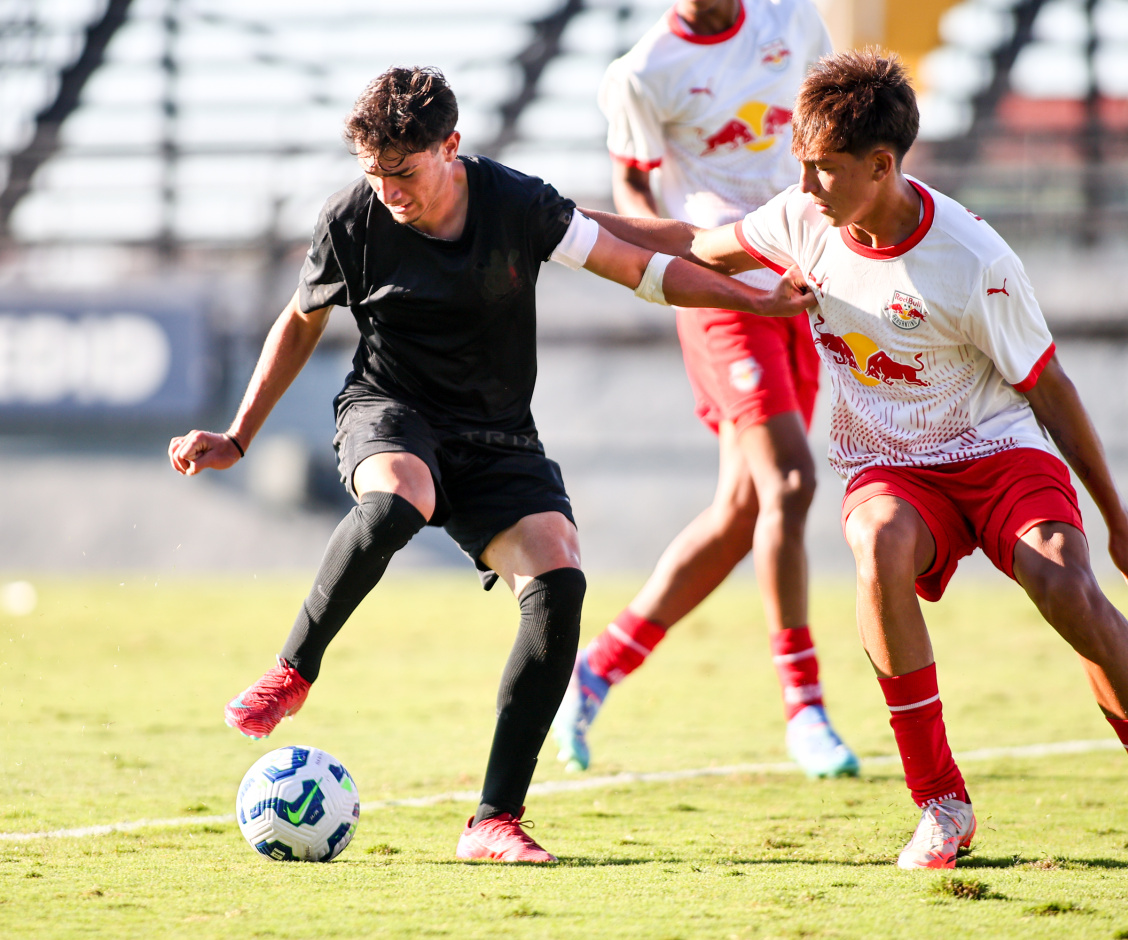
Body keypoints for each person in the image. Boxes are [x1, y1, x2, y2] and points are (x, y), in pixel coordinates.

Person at [168, 66, 814, 864]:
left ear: (452, 146)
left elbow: (635, 267)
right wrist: (239, 435)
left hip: (498, 434)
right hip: (389, 410)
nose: (389, 190)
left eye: (403, 172)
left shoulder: (517, 204)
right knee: (400, 496)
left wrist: (752, 297)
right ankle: (293, 670)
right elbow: (299, 323)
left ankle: (492, 822)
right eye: (374, 173)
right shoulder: (353, 218)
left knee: (559, 579)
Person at [577, 49, 1128, 870]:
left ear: (881, 166)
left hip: (997, 451)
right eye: (799, 166)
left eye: (823, 170)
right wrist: (562, 224)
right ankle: (941, 805)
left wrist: (1118, 523)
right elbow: (696, 241)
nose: (803, 188)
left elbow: (1050, 388)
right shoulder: (806, 220)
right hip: (892, 469)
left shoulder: (975, 261)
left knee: (1063, 582)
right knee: (877, 545)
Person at [553, 0, 859, 780]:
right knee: (790, 482)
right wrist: (684, 279)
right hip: (724, 295)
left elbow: (830, 139)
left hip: (804, 280)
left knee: (742, 512)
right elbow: (635, 196)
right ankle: (805, 708)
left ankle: (597, 668)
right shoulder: (642, 74)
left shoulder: (792, 20)